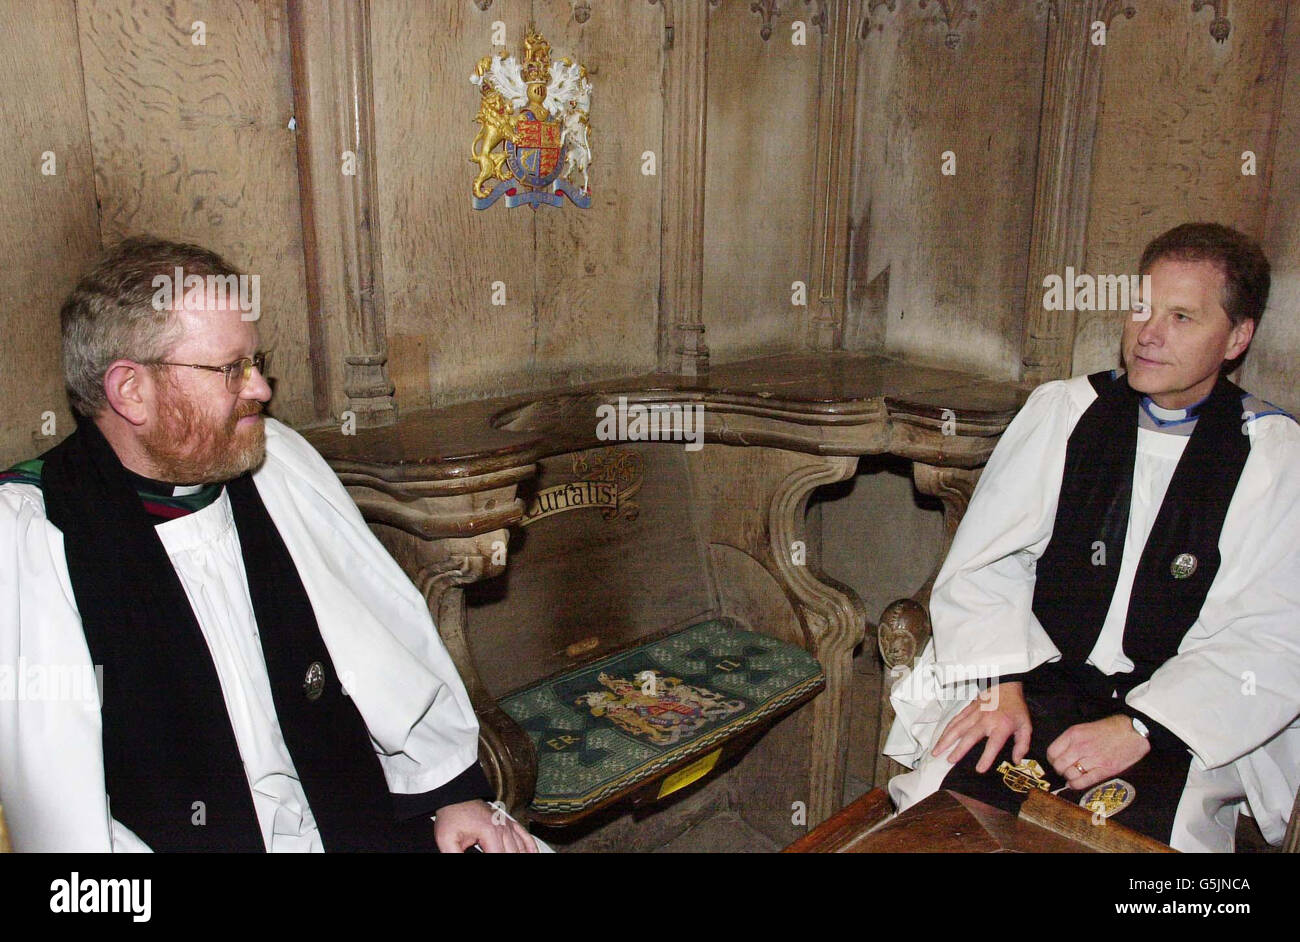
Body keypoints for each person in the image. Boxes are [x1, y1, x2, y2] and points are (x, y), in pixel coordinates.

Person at [0, 237, 538, 852]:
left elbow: (382, 638)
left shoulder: (272, 462)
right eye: (231, 369)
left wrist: (451, 791)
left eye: (257, 361)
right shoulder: (36, 533)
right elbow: (62, 818)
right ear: (130, 391)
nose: (258, 387)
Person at [884, 222, 1300, 851]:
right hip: (1037, 678)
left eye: (1182, 317)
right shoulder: (1067, 413)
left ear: (1237, 337)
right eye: (1142, 308)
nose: (1149, 334)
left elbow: (1271, 634)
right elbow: (987, 561)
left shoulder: (1271, 455)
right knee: (943, 811)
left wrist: (1140, 729)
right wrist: (1002, 684)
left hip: (1179, 714)